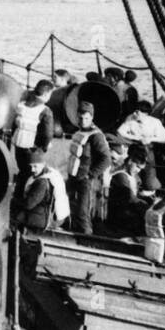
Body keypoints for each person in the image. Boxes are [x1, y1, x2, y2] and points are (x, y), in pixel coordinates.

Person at [66, 101, 111, 236]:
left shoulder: (96, 136)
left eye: (86, 118)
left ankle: (87, 237)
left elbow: (106, 159)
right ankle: (73, 232)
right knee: (71, 206)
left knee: (83, 211)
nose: (83, 121)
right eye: (80, 118)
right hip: (74, 175)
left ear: (91, 118)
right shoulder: (80, 131)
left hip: (87, 179)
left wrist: (90, 174)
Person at [117, 102, 165, 192]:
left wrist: (151, 139)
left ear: (145, 114)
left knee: (150, 184)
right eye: (134, 111)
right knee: (131, 171)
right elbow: (120, 131)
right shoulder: (131, 118)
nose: (134, 114)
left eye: (137, 112)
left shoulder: (154, 122)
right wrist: (137, 138)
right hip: (134, 149)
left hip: (148, 150)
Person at [20, 149, 68, 234]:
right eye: (30, 166)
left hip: (44, 219)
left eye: (35, 166)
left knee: (13, 218)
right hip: (49, 215)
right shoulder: (50, 174)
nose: (32, 170)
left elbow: (28, 204)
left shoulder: (42, 182)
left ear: (43, 165)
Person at [105, 145, 148, 236]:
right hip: (119, 212)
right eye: (137, 167)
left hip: (129, 208)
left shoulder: (133, 176)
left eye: (140, 169)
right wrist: (144, 204)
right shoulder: (121, 175)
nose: (138, 170)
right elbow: (130, 198)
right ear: (130, 161)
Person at [11, 82, 55, 161]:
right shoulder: (45, 111)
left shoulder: (21, 105)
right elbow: (48, 133)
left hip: (18, 140)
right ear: (46, 94)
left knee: (21, 166)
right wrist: (44, 147)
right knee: (33, 168)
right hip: (34, 146)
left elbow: (13, 124)